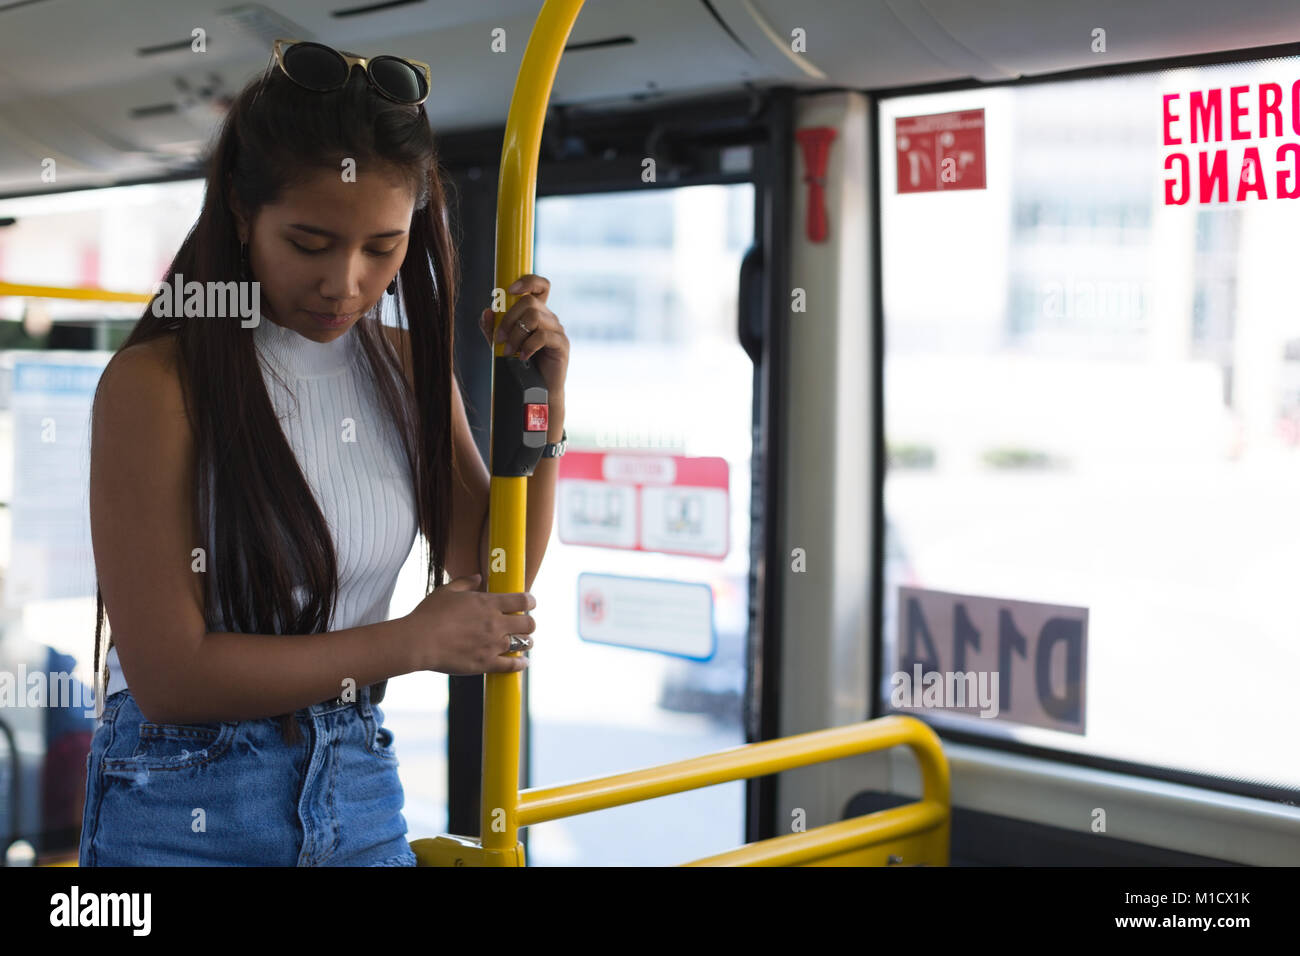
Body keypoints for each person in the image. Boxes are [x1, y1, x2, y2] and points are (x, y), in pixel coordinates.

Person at [79, 40, 570, 866]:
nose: (346, 282)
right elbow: (170, 677)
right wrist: (408, 644)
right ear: (242, 213)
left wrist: (541, 403)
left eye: (383, 248)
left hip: (357, 781)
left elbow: (496, 571)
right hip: (185, 796)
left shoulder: (406, 365)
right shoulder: (154, 385)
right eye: (310, 243)